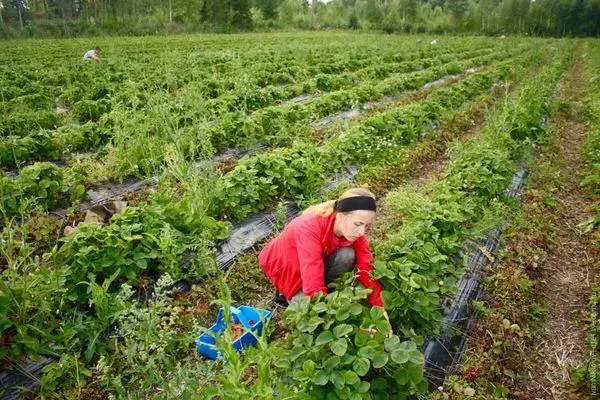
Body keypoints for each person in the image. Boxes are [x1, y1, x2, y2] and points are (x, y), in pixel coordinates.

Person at [259, 188, 388, 318]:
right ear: (340, 215)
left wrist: (379, 306)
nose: (362, 232)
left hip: (314, 259)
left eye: (366, 226)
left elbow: (366, 266)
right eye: (358, 224)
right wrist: (327, 314)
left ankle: (325, 286)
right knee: (306, 312)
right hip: (286, 266)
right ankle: (284, 293)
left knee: (347, 255)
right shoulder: (308, 228)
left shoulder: (353, 231)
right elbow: (312, 271)